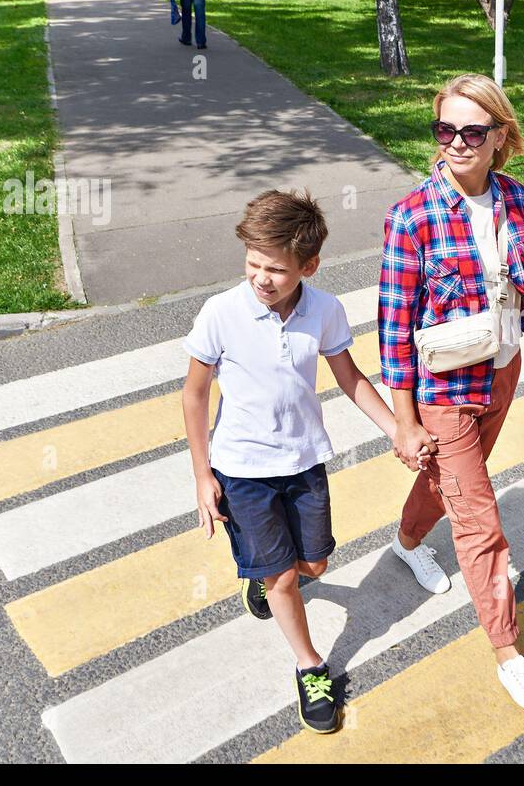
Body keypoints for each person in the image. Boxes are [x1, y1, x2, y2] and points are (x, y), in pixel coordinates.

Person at [182, 189, 436, 734]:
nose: (261, 278)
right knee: (284, 582)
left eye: (275, 268)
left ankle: (265, 574)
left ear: (309, 265)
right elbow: (195, 395)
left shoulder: (324, 309)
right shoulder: (221, 313)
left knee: (314, 565)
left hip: (303, 463)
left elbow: (349, 377)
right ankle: (309, 663)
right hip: (242, 471)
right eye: (253, 263)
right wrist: (203, 476)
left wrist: (398, 429)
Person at [378, 73, 524, 711]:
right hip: (443, 388)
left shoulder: (517, 200)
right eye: (446, 130)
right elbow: (392, 327)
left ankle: (406, 542)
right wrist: (404, 423)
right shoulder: (411, 217)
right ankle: (508, 652)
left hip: (502, 370)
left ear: (500, 136)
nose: (457, 143)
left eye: (473, 131)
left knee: (450, 482)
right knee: (478, 520)